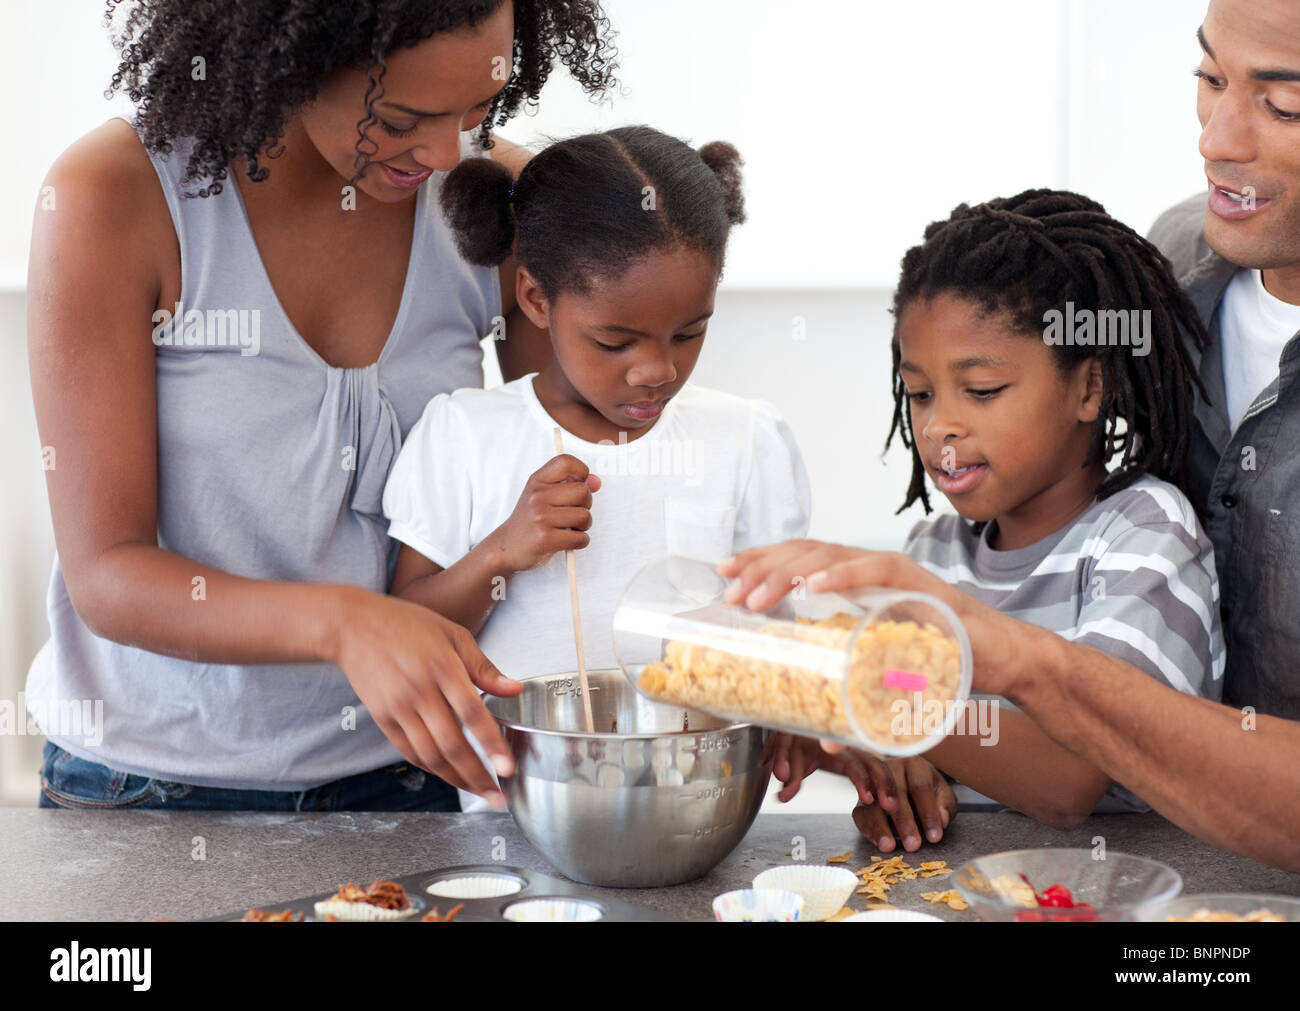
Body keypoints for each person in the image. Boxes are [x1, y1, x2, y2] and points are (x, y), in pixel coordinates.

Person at [722, 0, 1300, 874]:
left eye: (1283, 103)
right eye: (1210, 77)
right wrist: (881, 743)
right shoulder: (1178, 261)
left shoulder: (1140, 534)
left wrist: (890, 691)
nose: (1217, 139)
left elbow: (1071, 775)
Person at [26, 0, 617, 812]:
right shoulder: (114, 197)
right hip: (149, 784)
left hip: (420, 774)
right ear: (291, 56)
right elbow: (109, 575)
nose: (446, 152)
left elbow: (567, 487)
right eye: (404, 116)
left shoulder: (496, 201)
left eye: (478, 109)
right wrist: (346, 622)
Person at [380, 126, 812, 808]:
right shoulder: (465, 433)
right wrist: (501, 550)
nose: (656, 370)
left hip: (701, 808)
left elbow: (787, 630)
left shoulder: (744, 438)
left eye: (689, 332)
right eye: (615, 340)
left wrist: (801, 715)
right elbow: (407, 629)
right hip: (516, 819)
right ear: (535, 299)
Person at [771, 189, 1225, 836]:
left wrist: (861, 687)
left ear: (1089, 386)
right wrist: (897, 772)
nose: (938, 426)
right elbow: (910, 704)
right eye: (920, 393)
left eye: (981, 390)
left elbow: (1069, 777)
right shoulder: (932, 554)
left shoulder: (1143, 536)